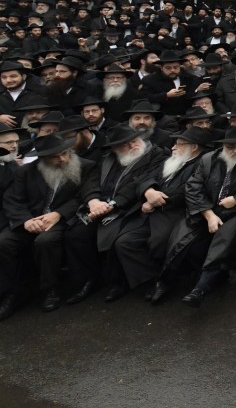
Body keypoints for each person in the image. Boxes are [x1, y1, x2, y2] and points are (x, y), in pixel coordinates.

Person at [64, 124, 168, 303]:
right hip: (99, 206)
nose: (132, 146)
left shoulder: (156, 155)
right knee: (75, 234)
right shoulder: (107, 158)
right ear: (113, 148)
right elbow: (91, 181)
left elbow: (139, 182)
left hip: (130, 207)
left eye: (134, 141)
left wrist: (113, 204)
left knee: (112, 237)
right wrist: (94, 201)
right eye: (124, 144)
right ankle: (89, 280)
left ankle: (119, 282)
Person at [163, 126, 236, 305]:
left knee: (223, 241)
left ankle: (200, 288)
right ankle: (175, 280)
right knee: (187, 243)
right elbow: (193, 187)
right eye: (231, 147)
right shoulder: (209, 159)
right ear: (223, 147)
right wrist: (208, 215)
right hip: (208, 209)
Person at [0, 132, 90, 316]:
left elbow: (82, 197)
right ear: (43, 159)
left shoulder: (84, 167)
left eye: (65, 153)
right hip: (30, 220)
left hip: (61, 220)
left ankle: (51, 289)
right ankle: (10, 293)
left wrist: (58, 214)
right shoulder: (25, 172)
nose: (62, 159)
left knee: (45, 241)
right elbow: (13, 200)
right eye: (55, 157)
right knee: (4, 242)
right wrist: (26, 220)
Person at [142, 127, 209, 304]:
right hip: (153, 209)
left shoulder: (203, 163)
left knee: (159, 241)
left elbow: (186, 191)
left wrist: (157, 200)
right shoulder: (171, 160)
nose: (173, 148)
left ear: (194, 147)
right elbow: (146, 177)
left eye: (179, 144)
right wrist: (149, 191)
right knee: (125, 241)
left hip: (179, 212)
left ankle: (163, 281)